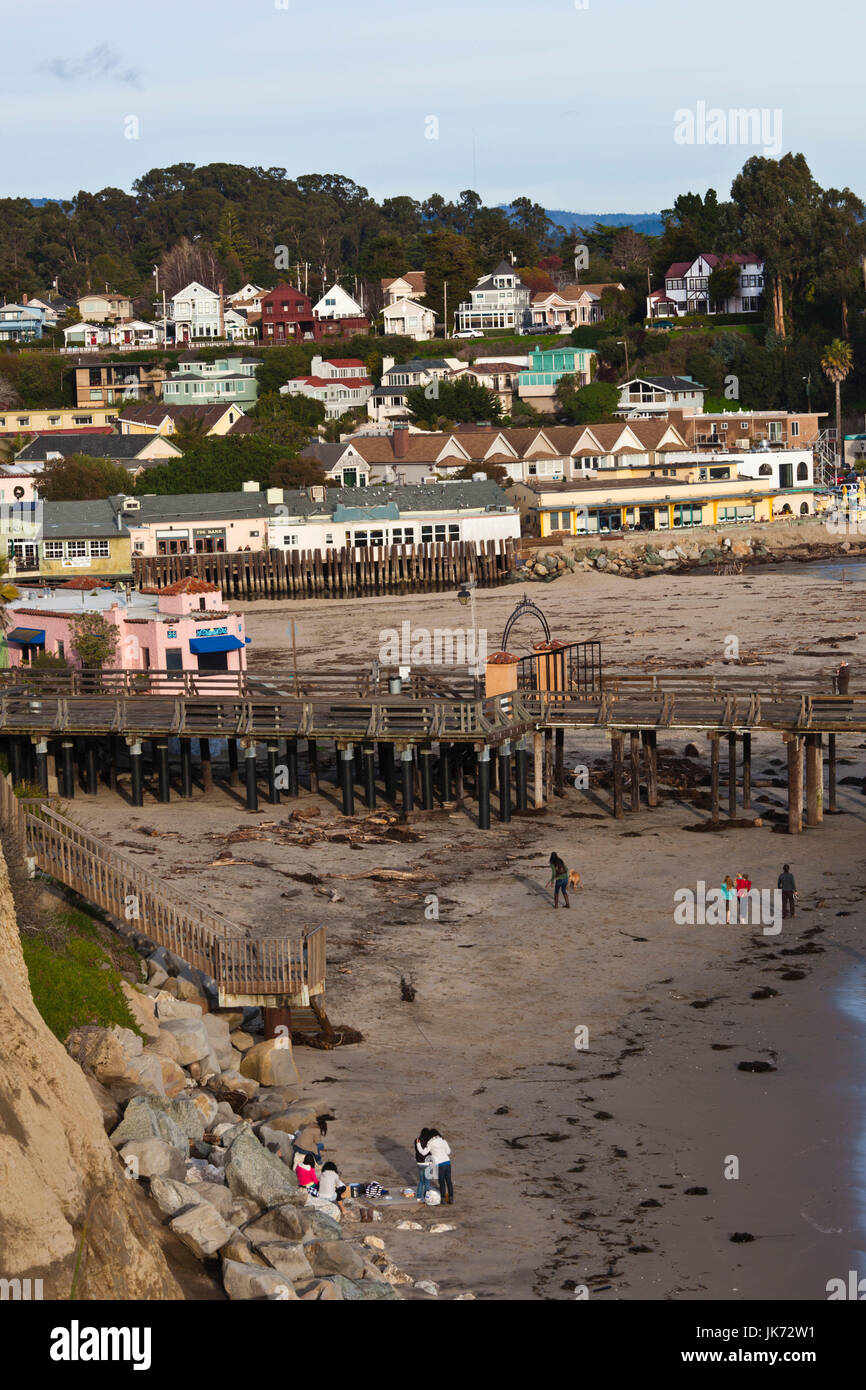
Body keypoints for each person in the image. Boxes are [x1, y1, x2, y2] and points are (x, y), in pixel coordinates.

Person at [420, 1128, 453, 1205]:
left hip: (440, 1164)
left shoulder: (430, 1143)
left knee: (442, 1182)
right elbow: (448, 1152)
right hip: (447, 1163)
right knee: (449, 1181)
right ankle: (451, 1198)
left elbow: (424, 1153)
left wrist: (419, 1144)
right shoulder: (443, 1140)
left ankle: (443, 1199)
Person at [414, 1127, 433, 1201]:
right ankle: (426, 1197)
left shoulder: (417, 1140)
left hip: (419, 1163)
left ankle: (418, 1197)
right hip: (427, 1163)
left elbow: (417, 1151)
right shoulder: (430, 1142)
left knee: (421, 1181)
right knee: (427, 1181)